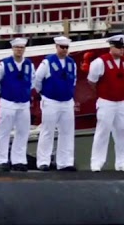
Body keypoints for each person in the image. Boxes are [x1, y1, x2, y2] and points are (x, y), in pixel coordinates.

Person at [88, 34, 124, 172]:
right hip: (106, 102)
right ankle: (97, 162)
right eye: (119, 47)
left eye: (123, 47)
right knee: (102, 131)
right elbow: (92, 81)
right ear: (111, 47)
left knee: (123, 131)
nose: (122, 50)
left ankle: (122, 162)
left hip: (122, 102)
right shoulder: (100, 62)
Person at [32, 35, 77, 171]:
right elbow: (37, 80)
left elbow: (73, 80)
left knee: (67, 132)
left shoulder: (71, 63)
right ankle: (43, 161)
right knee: (48, 131)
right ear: (56, 47)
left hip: (67, 101)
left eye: (66, 47)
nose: (64, 50)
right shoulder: (47, 62)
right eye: (62, 47)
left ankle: (65, 162)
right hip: (51, 100)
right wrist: (43, 94)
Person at [0, 37, 34, 172]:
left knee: (23, 131)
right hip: (8, 102)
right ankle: (1, 160)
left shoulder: (29, 65)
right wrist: (2, 93)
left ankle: (19, 160)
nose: (19, 50)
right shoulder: (4, 65)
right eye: (17, 48)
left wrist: (25, 92)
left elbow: (33, 80)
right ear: (13, 49)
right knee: (3, 131)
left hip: (23, 103)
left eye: (21, 48)